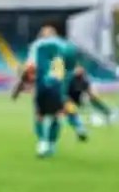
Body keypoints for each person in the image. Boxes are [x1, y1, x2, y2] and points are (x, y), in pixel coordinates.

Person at [19, 24, 80, 158]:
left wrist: (23, 84)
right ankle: (52, 142)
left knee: (40, 114)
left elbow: (30, 66)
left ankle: (43, 142)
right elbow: (72, 66)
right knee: (57, 114)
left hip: (43, 84)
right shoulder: (64, 45)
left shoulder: (37, 46)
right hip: (59, 85)